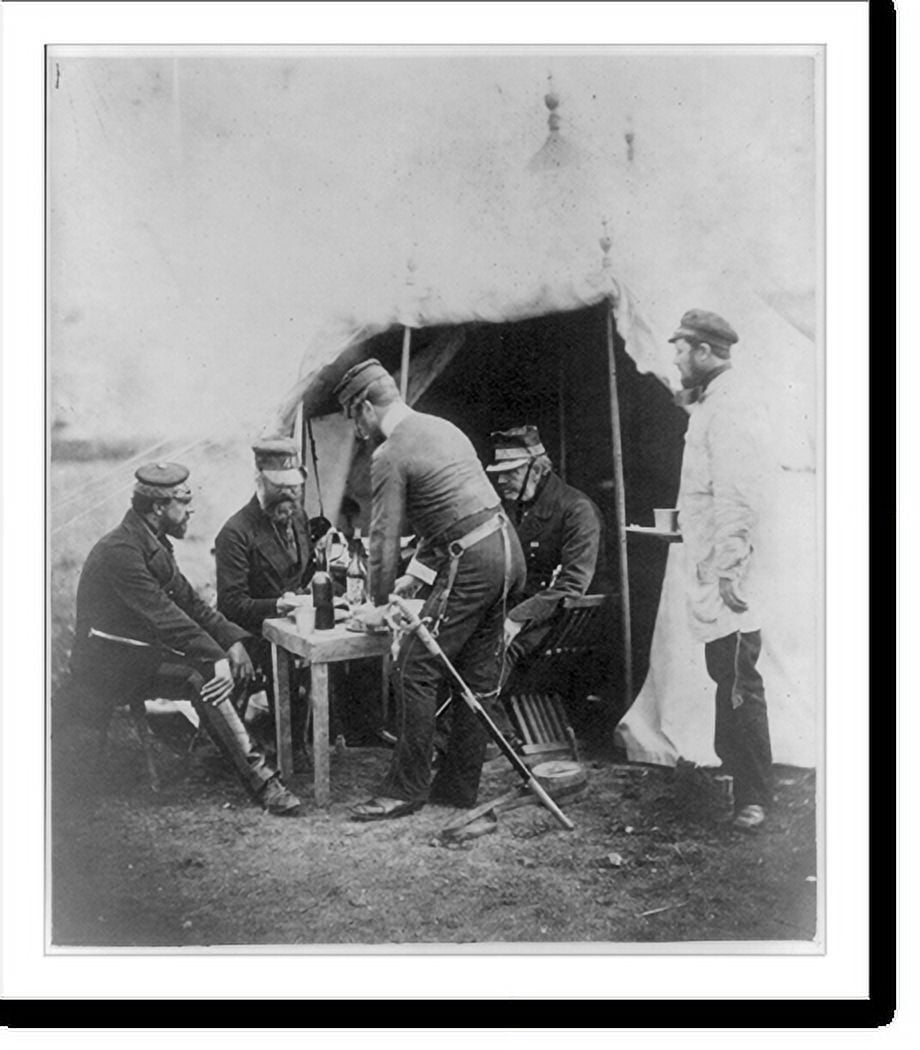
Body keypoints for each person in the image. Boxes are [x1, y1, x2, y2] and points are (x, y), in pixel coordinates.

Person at [333, 359, 526, 821]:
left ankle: (406, 789)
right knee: (476, 676)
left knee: (415, 667)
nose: (356, 431)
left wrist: (378, 607)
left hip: (474, 561)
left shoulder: (389, 454)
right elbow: (449, 518)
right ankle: (459, 786)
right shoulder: (444, 428)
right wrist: (416, 578)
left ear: (364, 407)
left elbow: (383, 540)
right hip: (506, 551)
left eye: (352, 419)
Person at [64, 461, 301, 815]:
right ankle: (264, 782)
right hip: (105, 663)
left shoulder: (151, 541)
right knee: (200, 675)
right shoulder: (121, 551)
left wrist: (232, 641)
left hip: (137, 654)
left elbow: (191, 603)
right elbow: (165, 615)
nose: (191, 509)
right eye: (182, 502)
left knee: (210, 668)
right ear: (159, 507)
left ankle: (234, 751)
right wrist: (216, 657)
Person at [670, 309, 774, 832]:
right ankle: (739, 782)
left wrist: (731, 568)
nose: (675, 359)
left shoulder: (730, 407)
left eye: (681, 350)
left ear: (704, 352)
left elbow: (737, 494)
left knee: (738, 680)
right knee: (724, 674)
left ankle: (753, 796)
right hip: (714, 566)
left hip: (729, 570)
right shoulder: (710, 405)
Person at [485, 425, 606, 664]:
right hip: (519, 608)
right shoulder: (517, 505)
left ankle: (487, 702)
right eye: (500, 473)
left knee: (493, 658)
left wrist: (517, 618)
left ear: (537, 469)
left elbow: (573, 585)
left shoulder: (577, 510)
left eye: (511, 472)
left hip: (561, 618)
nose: (501, 480)